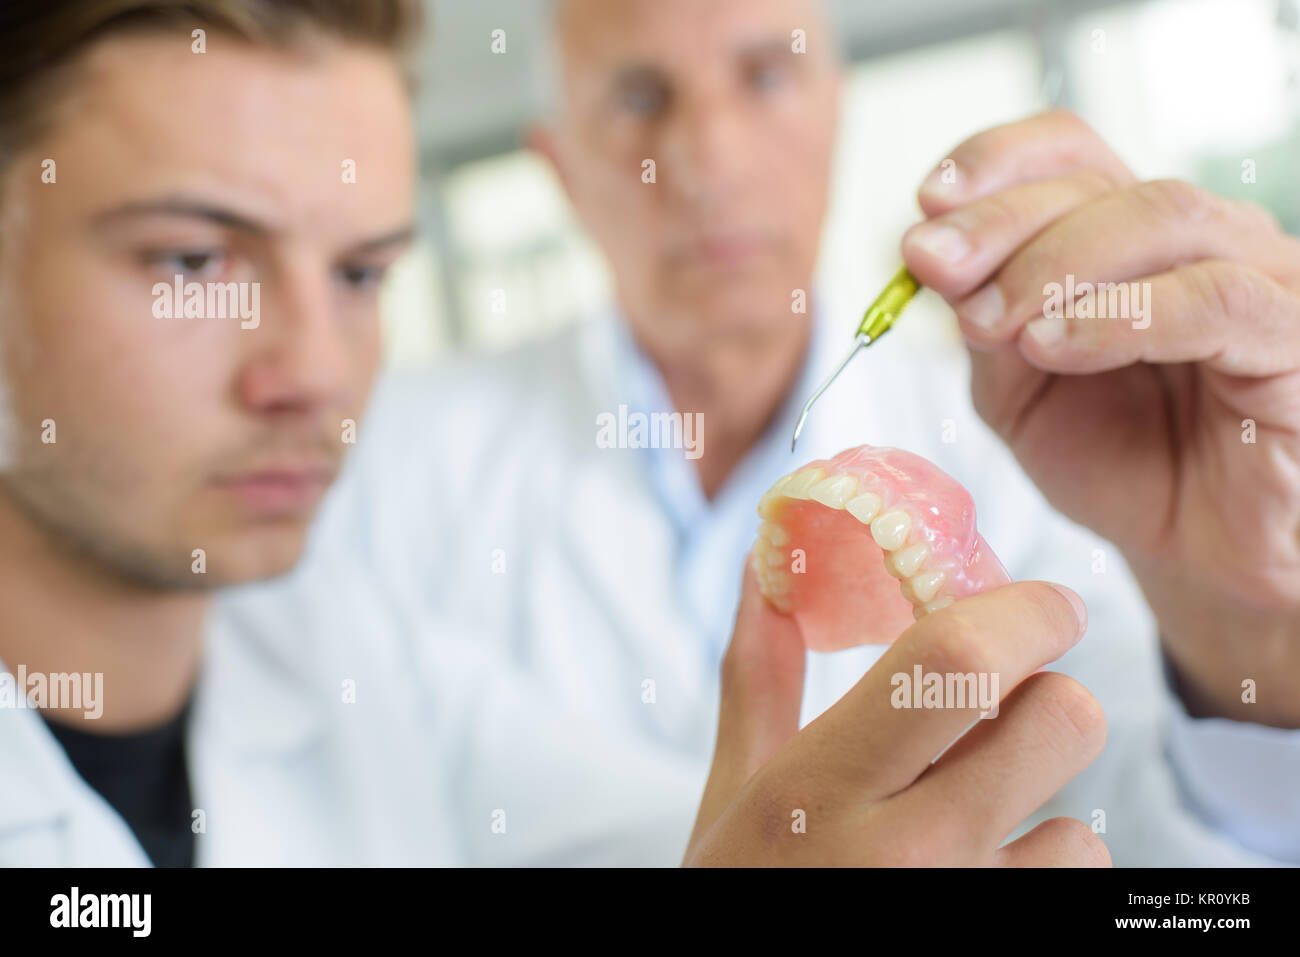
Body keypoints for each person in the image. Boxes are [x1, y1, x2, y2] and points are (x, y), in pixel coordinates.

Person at [0, 0, 1109, 868]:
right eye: (193, 261)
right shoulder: (382, 543)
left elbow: (702, 841)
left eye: (359, 273)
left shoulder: (351, 661)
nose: (316, 375)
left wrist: (1249, 612)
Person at [301, 0, 1300, 866]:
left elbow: (1169, 877)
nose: (710, 161)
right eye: (641, 99)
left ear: (834, 106)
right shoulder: (376, 466)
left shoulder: (1054, 437)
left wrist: (1239, 631)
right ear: (560, 170)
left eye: (765, 76)